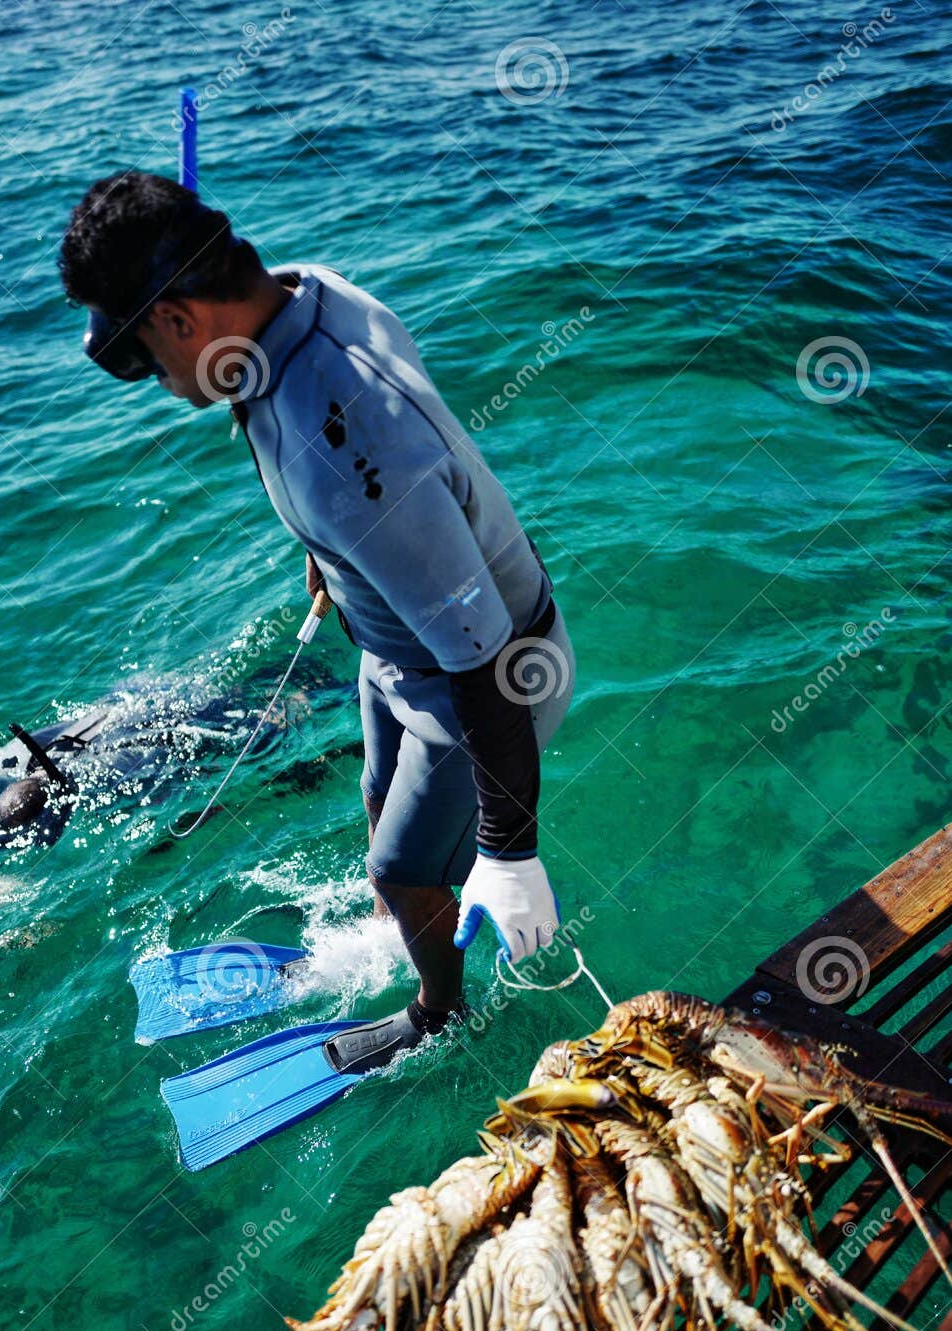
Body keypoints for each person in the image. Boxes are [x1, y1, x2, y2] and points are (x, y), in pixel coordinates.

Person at [59, 173, 574, 1073]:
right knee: (379, 802)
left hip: (481, 684)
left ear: (179, 320)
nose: (161, 385)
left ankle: (440, 1012)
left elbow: (486, 657)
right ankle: (412, 913)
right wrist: (333, 554)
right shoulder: (300, 295)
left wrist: (511, 852)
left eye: (148, 363)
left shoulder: (346, 446)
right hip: (396, 646)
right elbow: (378, 499)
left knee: (398, 866)